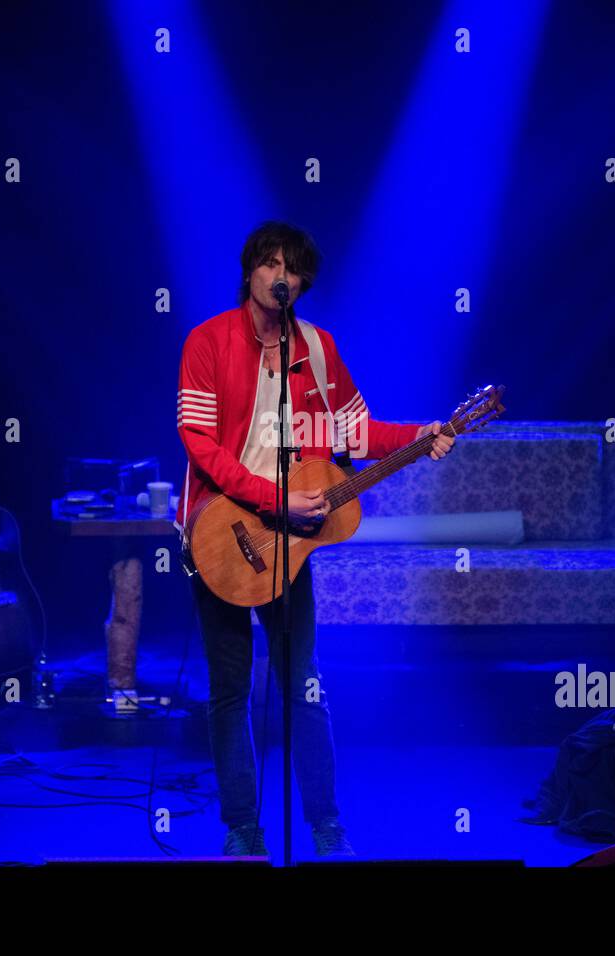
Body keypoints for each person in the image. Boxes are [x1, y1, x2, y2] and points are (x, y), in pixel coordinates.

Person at [174, 221, 454, 857]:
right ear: (251, 271)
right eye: (269, 263)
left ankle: (326, 827)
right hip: (224, 531)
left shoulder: (318, 350)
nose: (280, 275)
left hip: (288, 546)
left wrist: (424, 432)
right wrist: (272, 497)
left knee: (304, 685)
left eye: (292, 268)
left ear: (302, 284)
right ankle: (243, 829)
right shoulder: (208, 341)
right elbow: (200, 442)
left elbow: (357, 432)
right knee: (230, 689)